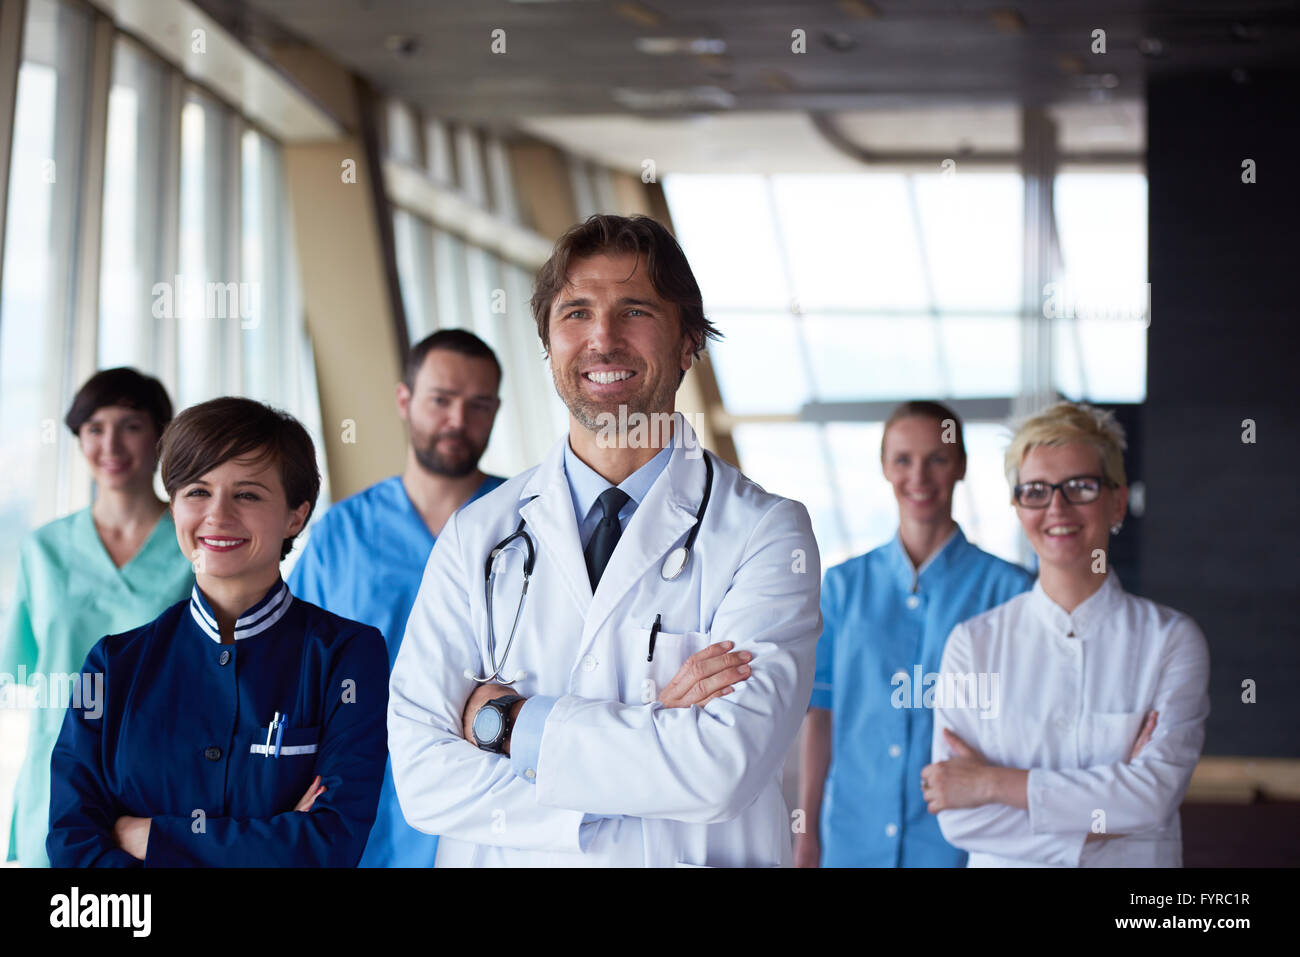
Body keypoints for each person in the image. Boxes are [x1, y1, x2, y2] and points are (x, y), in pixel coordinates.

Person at [388, 213, 822, 867]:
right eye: (576, 313)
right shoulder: (479, 534)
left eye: (636, 311)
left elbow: (720, 770)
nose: (603, 338)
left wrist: (506, 724)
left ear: (688, 341)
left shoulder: (765, 532)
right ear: (548, 342)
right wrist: (655, 747)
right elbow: (422, 779)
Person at [46, 398, 388, 866]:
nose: (218, 515)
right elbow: (72, 846)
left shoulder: (348, 656)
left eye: (247, 494)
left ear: (295, 515)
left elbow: (328, 844)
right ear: (173, 509)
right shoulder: (109, 665)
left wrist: (149, 836)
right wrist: (270, 838)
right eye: (196, 492)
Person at [923, 401, 1210, 867]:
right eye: (1035, 490)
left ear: (1117, 501)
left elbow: (1153, 798)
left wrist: (992, 783)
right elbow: (960, 820)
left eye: (1080, 487)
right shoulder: (972, 644)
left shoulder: (1172, 641)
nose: (1057, 507)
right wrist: (1111, 817)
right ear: (1018, 507)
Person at [289, 328, 506, 867]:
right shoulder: (341, 533)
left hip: (492, 792)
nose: (458, 420)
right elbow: (295, 677)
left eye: (477, 405)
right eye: (441, 400)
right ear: (405, 401)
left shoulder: (528, 520)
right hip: (366, 799)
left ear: (497, 411)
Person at [796, 402, 1034, 868]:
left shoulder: (1011, 591)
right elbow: (820, 714)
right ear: (885, 467)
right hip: (851, 837)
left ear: (961, 466)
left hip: (961, 843)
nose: (919, 477)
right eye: (903, 460)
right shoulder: (842, 587)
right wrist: (806, 829)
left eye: (937, 459)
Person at [1, 368, 193, 868]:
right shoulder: (43, 549)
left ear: (159, 436)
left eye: (130, 425)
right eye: (94, 427)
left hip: (158, 780)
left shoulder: (194, 546)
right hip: (56, 776)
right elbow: (19, 670)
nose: (111, 443)